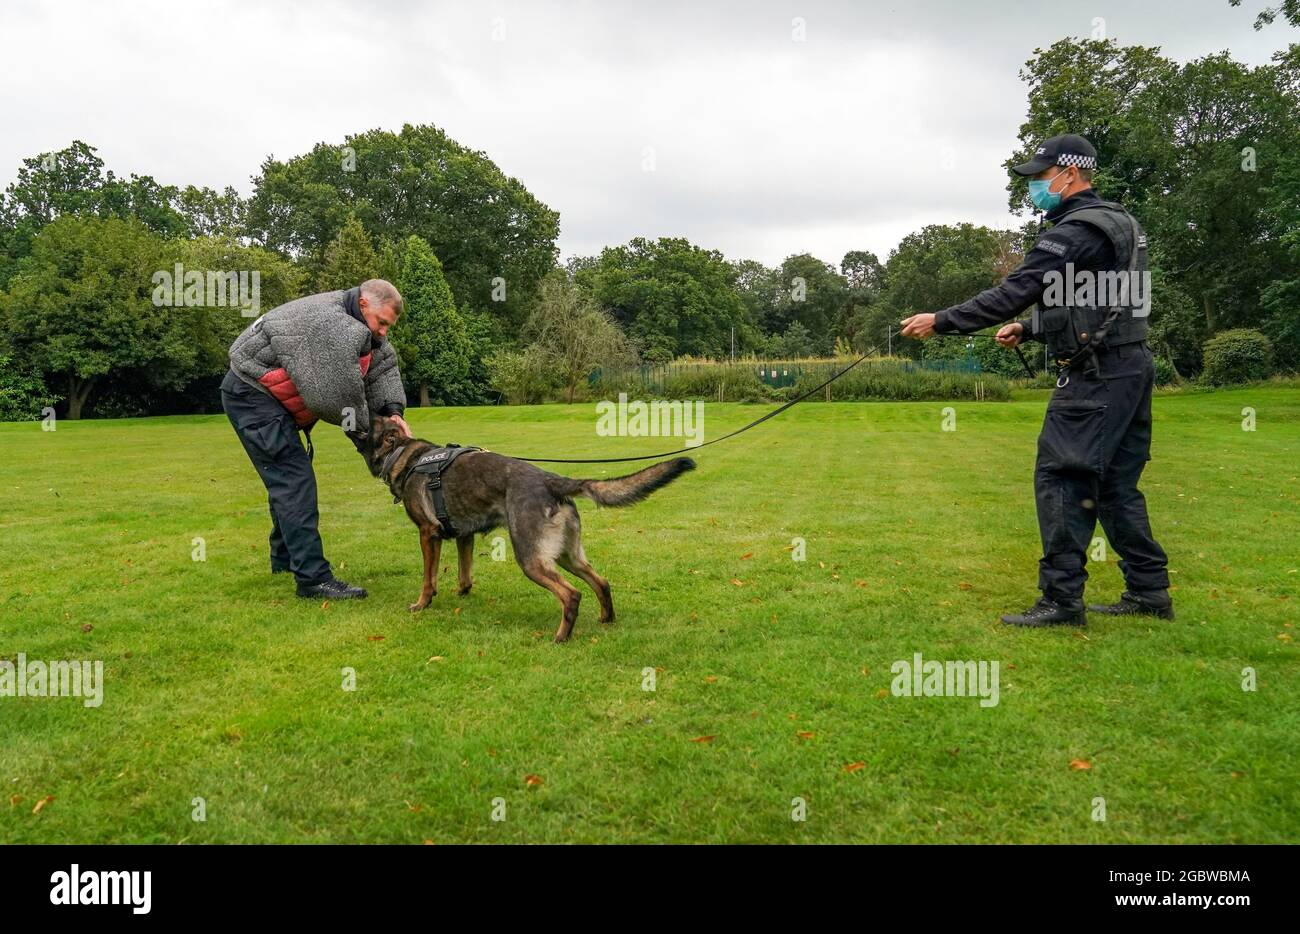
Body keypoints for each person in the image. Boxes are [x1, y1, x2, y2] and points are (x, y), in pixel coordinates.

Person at [899, 134, 1172, 627]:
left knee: (1062, 477)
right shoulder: (1120, 223)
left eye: (1042, 176)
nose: (1036, 186)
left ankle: (1062, 600)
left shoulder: (1073, 231)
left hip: (1097, 375)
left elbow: (1016, 289)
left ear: (1070, 174)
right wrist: (1031, 328)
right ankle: (1149, 591)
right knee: (1113, 485)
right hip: (1130, 364)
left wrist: (941, 320)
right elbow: (1101, 301)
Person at [221, 279, 411, 600]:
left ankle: (283, 560)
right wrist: (375, 445)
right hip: (251, 396)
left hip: (268, 399)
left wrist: (392, 411)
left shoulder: (362, 326)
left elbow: (382, 366)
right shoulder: (331, 325)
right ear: (363, 304)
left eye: (388, 326)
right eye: (381, 323)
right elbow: (336, 399)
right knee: (293, 480)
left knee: (286, 478)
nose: (383, 332)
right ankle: (312, 579)